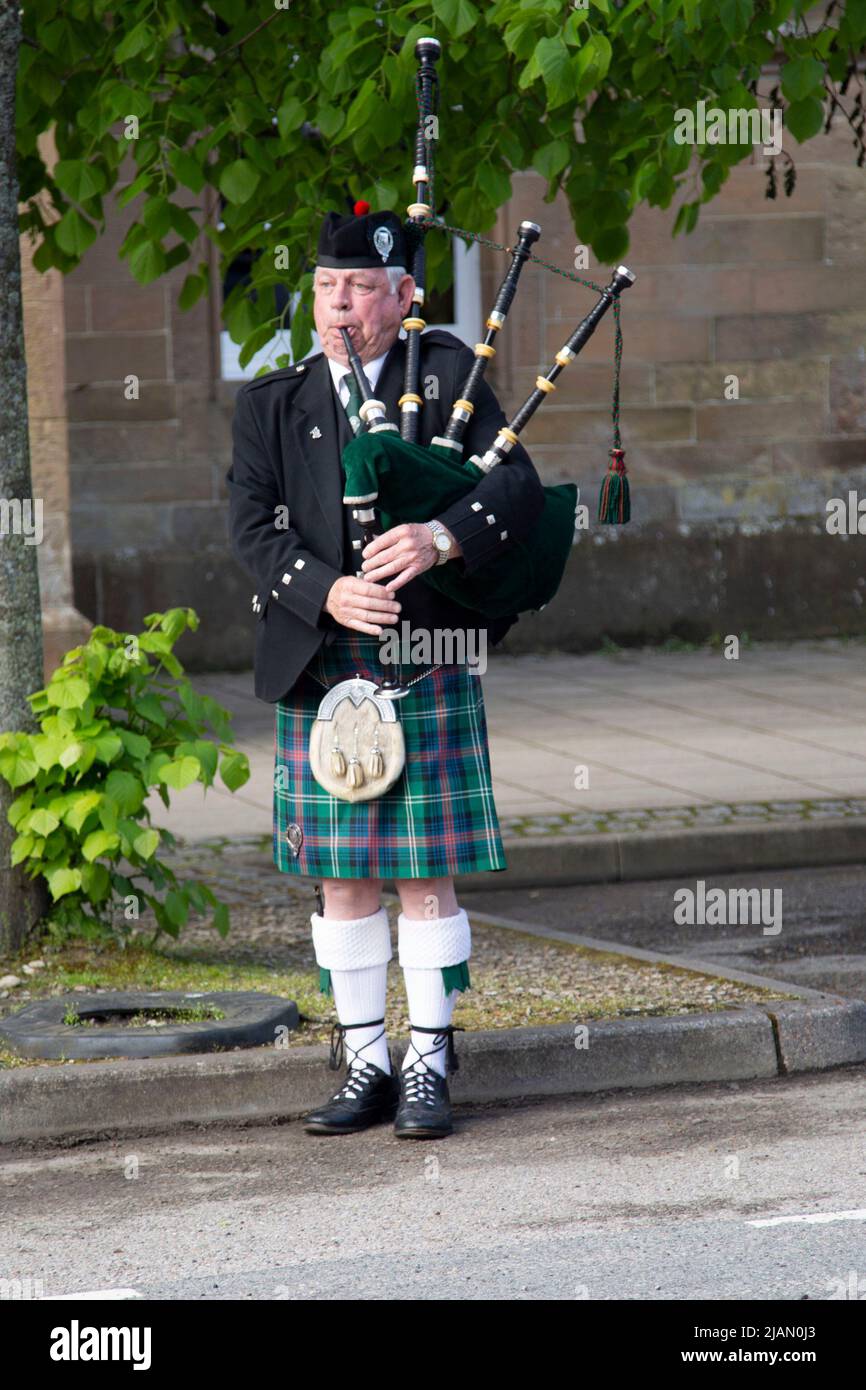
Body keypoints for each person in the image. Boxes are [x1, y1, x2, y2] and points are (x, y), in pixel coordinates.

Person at [227, 205, 545, 1138]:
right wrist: (323, 591)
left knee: (424, 873)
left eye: (362, 287)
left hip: (424, 648)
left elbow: (517, 487)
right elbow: (249, 528)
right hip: (323, 655)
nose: (340, 304)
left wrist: (443, 536)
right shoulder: (272, 403)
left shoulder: (448, 379)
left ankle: (430, 1065)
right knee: (343, 878)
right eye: (327, 287)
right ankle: (367, 1062)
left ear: (405, 295)